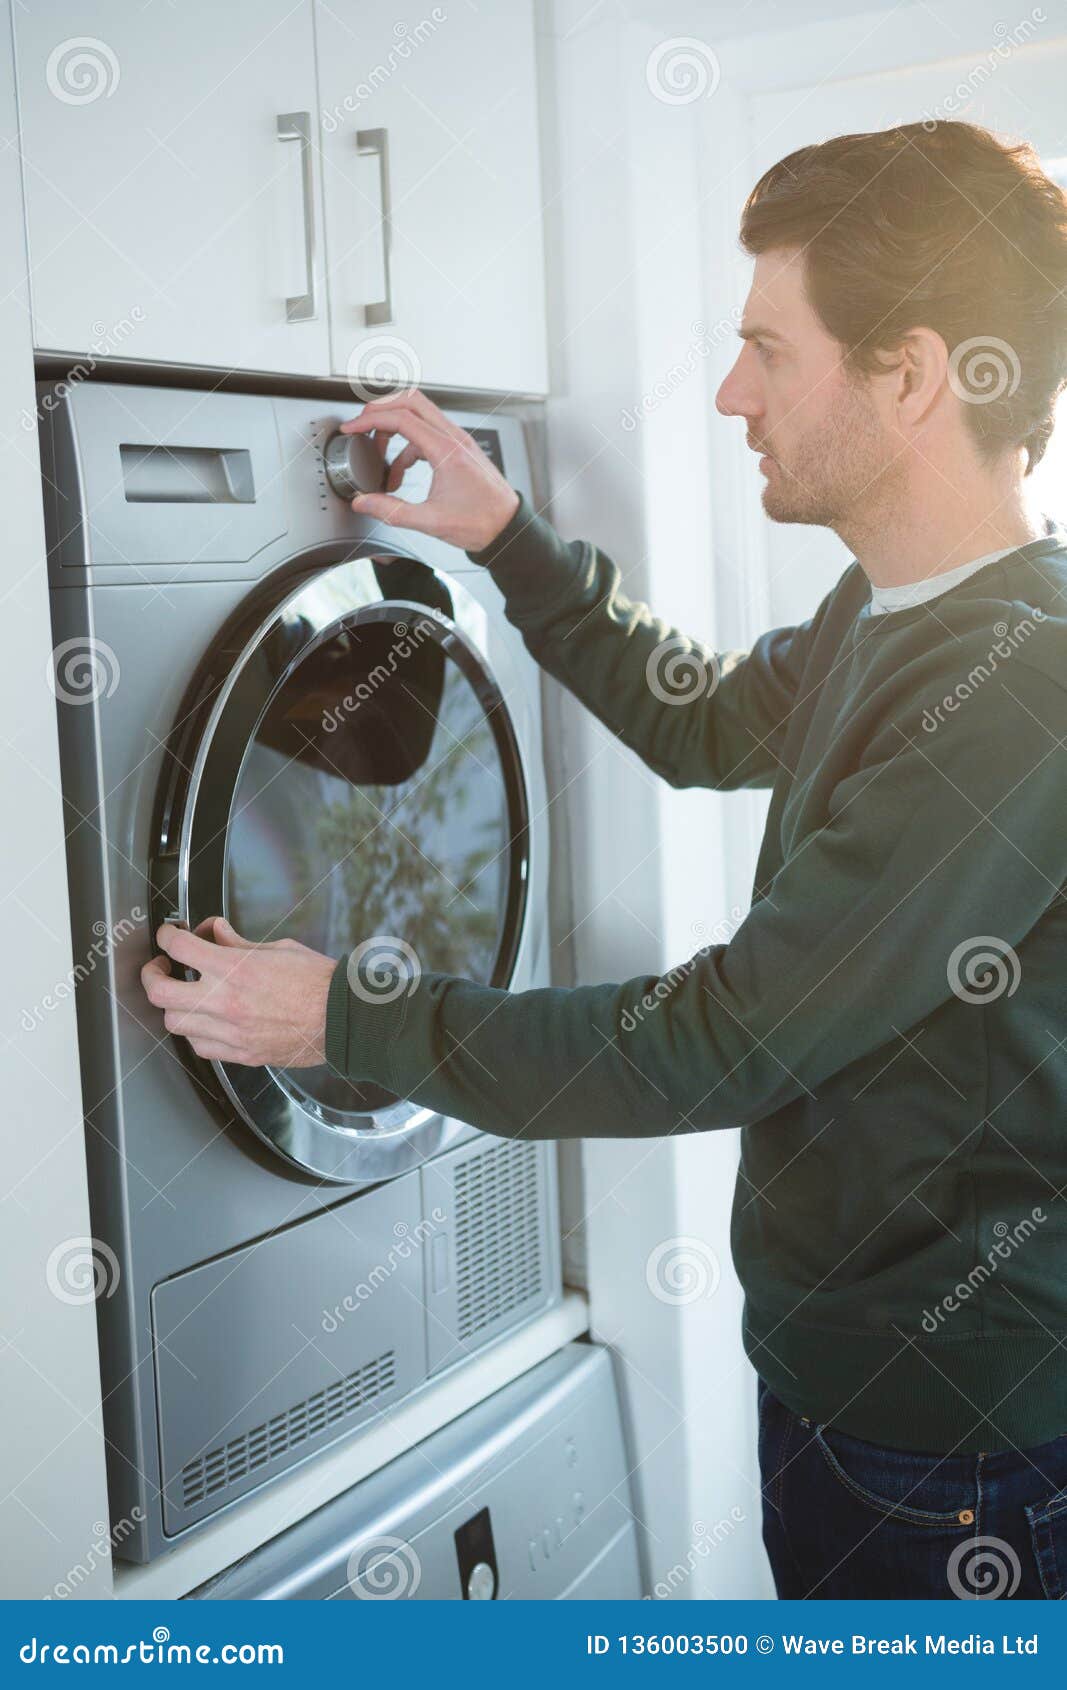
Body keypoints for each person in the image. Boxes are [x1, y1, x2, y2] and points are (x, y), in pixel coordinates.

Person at [143, 121, 1067, 1600]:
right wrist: (508, 539)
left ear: (911, 376)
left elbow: (726, 1037)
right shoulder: (893, 613)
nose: (729, 393)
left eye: (770, 349)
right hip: (869, 1403)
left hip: (957, 1455)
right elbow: (702, 720)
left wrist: (342, 1018)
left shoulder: (1026, 681)